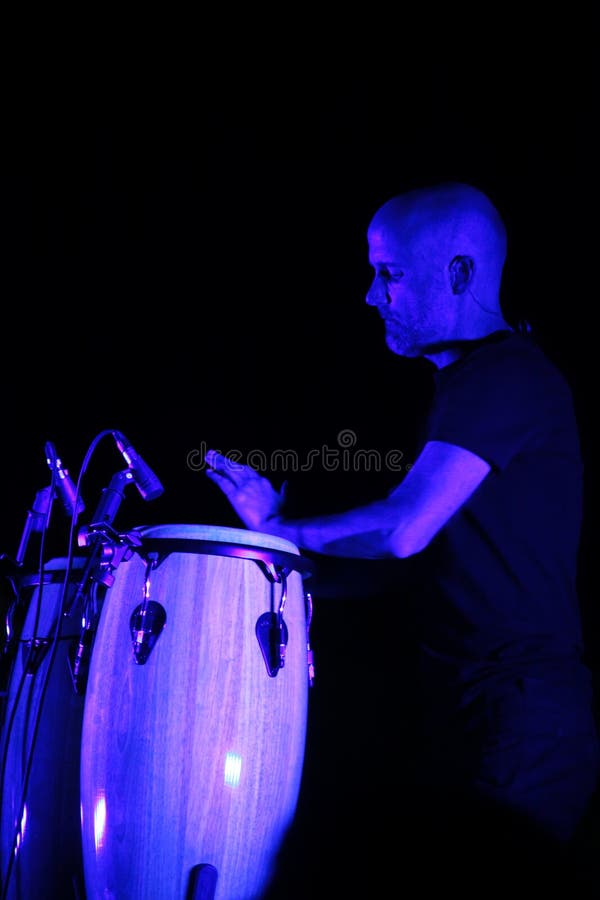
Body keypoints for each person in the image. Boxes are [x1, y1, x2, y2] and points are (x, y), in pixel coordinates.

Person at [204, 181, 600, 894]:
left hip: (520, 716)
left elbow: (404, 529)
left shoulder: (506, 374)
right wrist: (293, 567)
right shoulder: (467, 390)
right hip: (477, 717)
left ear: (459, 274)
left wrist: (276, 535)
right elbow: (420, 561)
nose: (369, 295)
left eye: (389, 275)